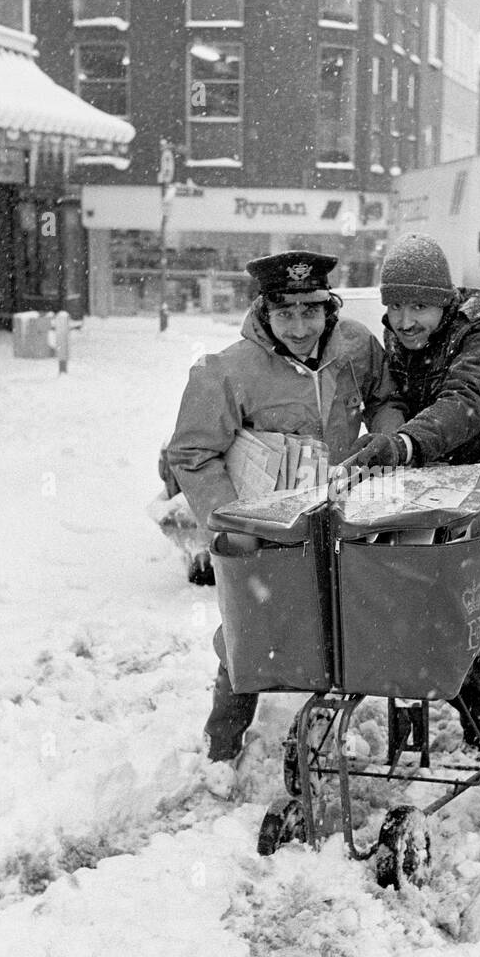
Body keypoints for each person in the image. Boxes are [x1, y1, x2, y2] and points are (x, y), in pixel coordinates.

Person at [167, 249, 405, 764]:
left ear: (329, 308)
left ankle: (352, 728)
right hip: (268, 528)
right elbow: (189, 452)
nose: (299, 327)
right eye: (285, 313)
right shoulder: (226, 371)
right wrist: (232, 521)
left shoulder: (356, 346)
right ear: (264, 313)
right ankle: (222, 746)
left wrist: (384, 444)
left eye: (311, 311)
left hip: (341, 515)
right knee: (249, 633)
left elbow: (386, 398)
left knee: (356, 621)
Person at [346, 233, 480, 752]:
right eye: (395, 306)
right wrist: (391, 432)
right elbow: (398, 395)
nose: (403, 321)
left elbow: (467, 401)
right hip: (463, 481)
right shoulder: (405, 335)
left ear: (444, 300)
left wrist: (404, 445)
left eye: (418, 306)